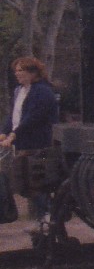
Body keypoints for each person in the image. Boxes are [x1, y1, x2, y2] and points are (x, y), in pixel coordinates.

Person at [2, 56, 61, 225]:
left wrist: (14, 134)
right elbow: (14, 114)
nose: (17, 74)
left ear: (32, 72)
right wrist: (4, 132)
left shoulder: (42, 91)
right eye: (16, 71)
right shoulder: (19, 91)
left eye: (20, 70)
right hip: (23, 142)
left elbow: (33, 117)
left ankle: (48, 214)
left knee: (36, 181)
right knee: (24, 183)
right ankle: (45, 214)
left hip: (38, 143)